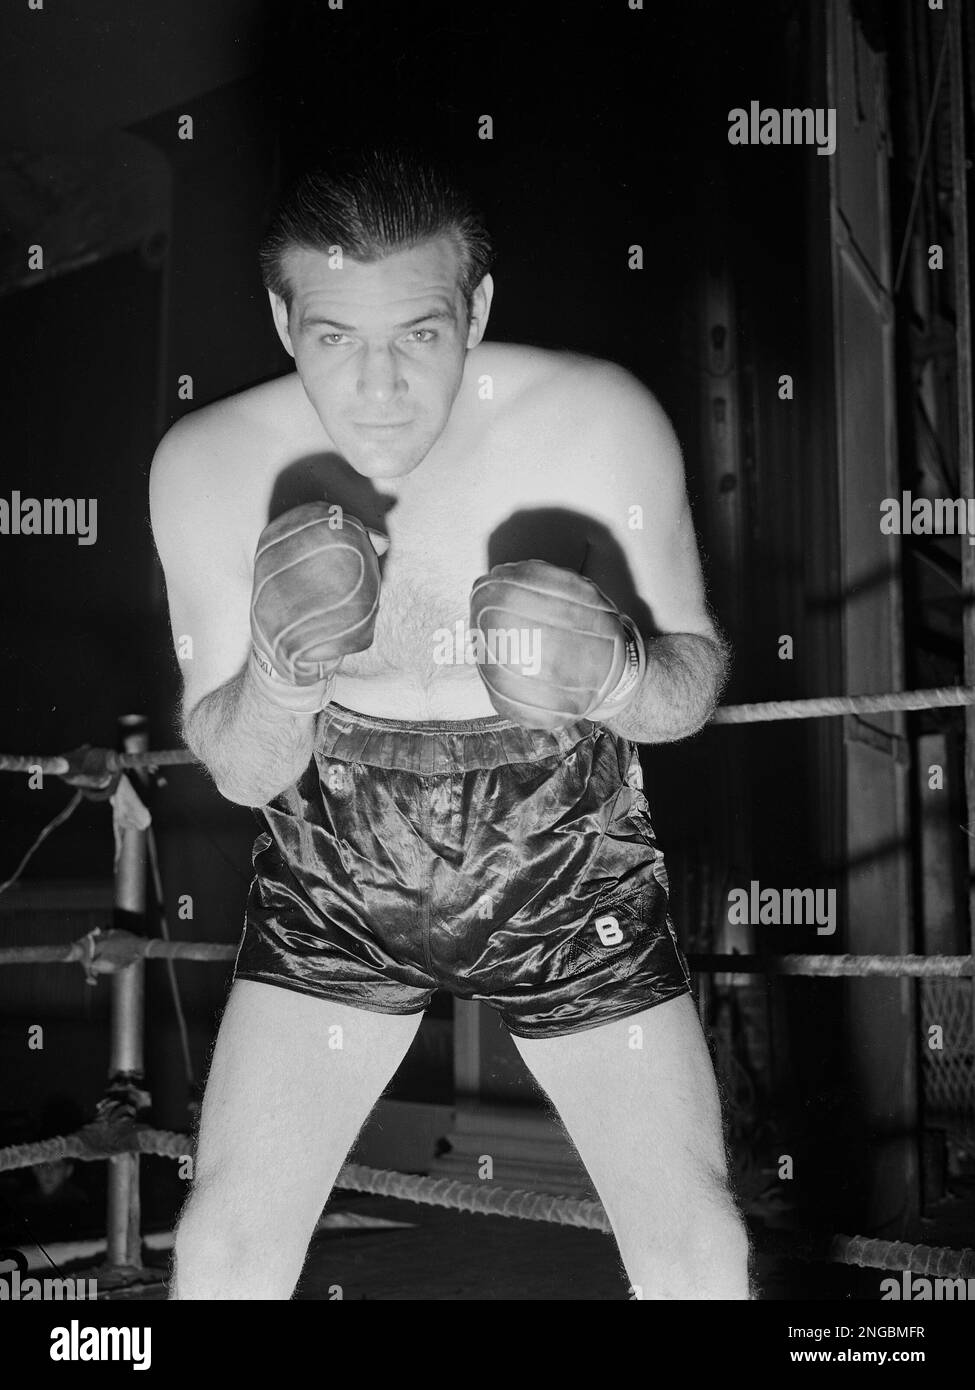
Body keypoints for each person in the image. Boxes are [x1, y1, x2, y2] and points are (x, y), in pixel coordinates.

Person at [149, 148, 749, 1300]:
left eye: (418, 335)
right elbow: (239, 767)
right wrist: (279, 672)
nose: (378, 389)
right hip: (335, 859)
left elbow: (691, 687)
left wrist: (621, 675)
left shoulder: (597, 421)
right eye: (335, 338)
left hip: (565, 856)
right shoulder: (209, 465)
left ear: (474, 305)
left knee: (699, 1249)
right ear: (283, 318)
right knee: (224, 1246)